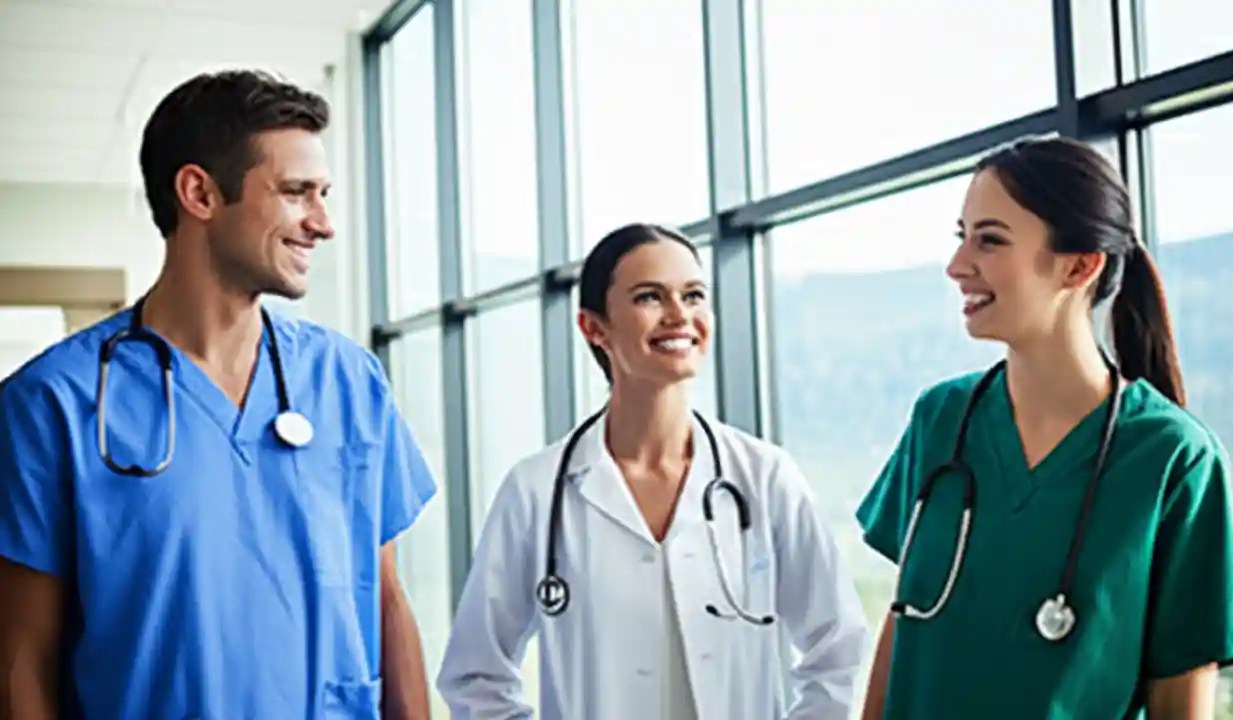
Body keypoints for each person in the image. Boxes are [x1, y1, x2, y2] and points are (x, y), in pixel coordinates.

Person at [0, 70, 437, 719]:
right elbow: (21, 657)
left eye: (324, 194)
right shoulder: (53, 404)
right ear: (199, 192)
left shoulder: (348, 382)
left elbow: (386, 602)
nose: (324, 224)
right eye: (296, 194)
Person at [856, 136, 1233, 719]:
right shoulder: (940, 421)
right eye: (962, 237)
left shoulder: (1172, 457)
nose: (957, 266)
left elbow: (1182, 691)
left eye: (990, 240)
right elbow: (906, 625)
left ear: (1079, 265)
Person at [436, 223, 867, 718]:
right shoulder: (535, 491)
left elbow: (838, 646)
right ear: (594, 328)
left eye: (694, 295)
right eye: (649, 297)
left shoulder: (765, 479)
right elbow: (475, 674)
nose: (679, 315)